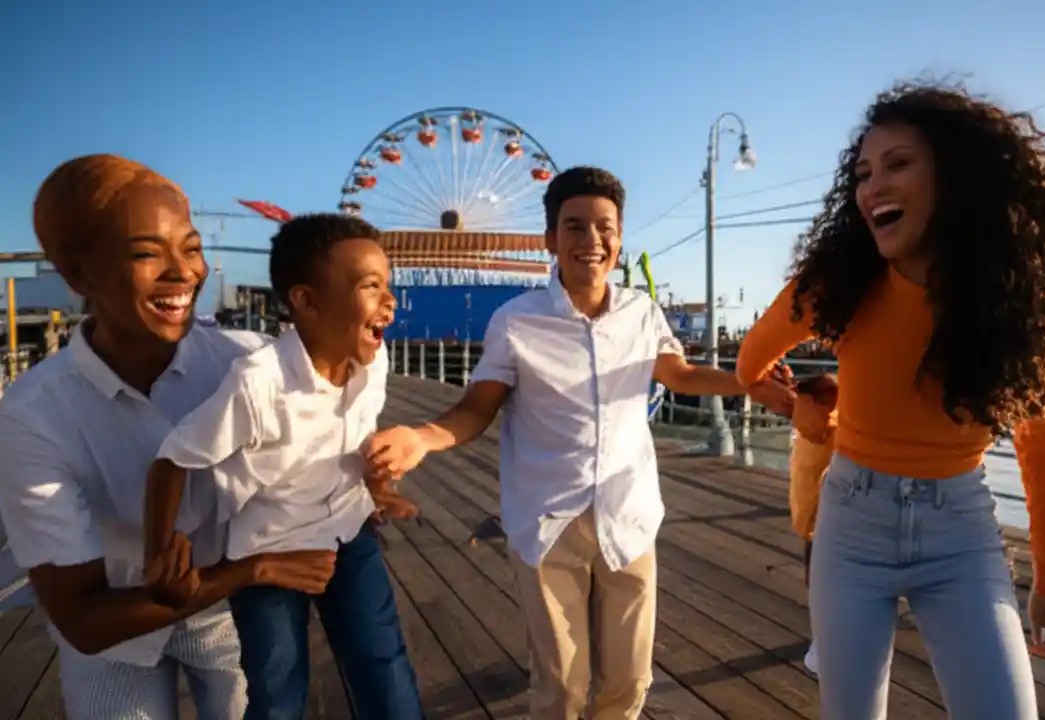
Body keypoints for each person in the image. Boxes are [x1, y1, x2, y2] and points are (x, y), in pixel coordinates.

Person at [737, 81, 1045, 719]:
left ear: (955, 177)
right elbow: (750, 359)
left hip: (961, 530)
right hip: (851, 525)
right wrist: (789, 401)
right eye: (864, 174)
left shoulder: (1024, 313)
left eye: (898, 164)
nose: (872, 189)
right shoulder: (837, 284)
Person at [363, 166, 791, 720]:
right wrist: (422, 437)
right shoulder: (515, 322)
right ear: (550, 240)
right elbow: (477, 408)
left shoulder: (642, 312)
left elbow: (679, 375)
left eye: (605, 227)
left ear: (619, 236)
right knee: (561, 687)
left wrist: (746, 382)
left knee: (629, 682)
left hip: (629, 514)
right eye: (575, 227)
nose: (592, 241)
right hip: (548, 521)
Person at [0, 154, 340, 719]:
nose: (184, 272)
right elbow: (84, 621)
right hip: (118, 638)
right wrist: (250, 570)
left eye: (191, 248)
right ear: (78, 275)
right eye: (145, 254)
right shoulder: (34, 414)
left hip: (231, 618)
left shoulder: (250, 363)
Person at [142, 214, 422, 720]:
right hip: (269, 550)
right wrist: (160, 547)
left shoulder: (373, 362)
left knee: (384, 664)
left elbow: (345, 440)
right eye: (370, 286)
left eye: (389, 285)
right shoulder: (257, 384)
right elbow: (173, 456)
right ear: (306, 301)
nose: (390, 301)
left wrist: (376, 483)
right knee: (276, 689)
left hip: (348, 529)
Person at [787, 372, 838, 675]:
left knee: (820, 579)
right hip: (825, 516)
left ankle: (824, 640)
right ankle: (826, 640)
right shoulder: (833, 426)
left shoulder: (809, 427)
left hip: (815, 517)